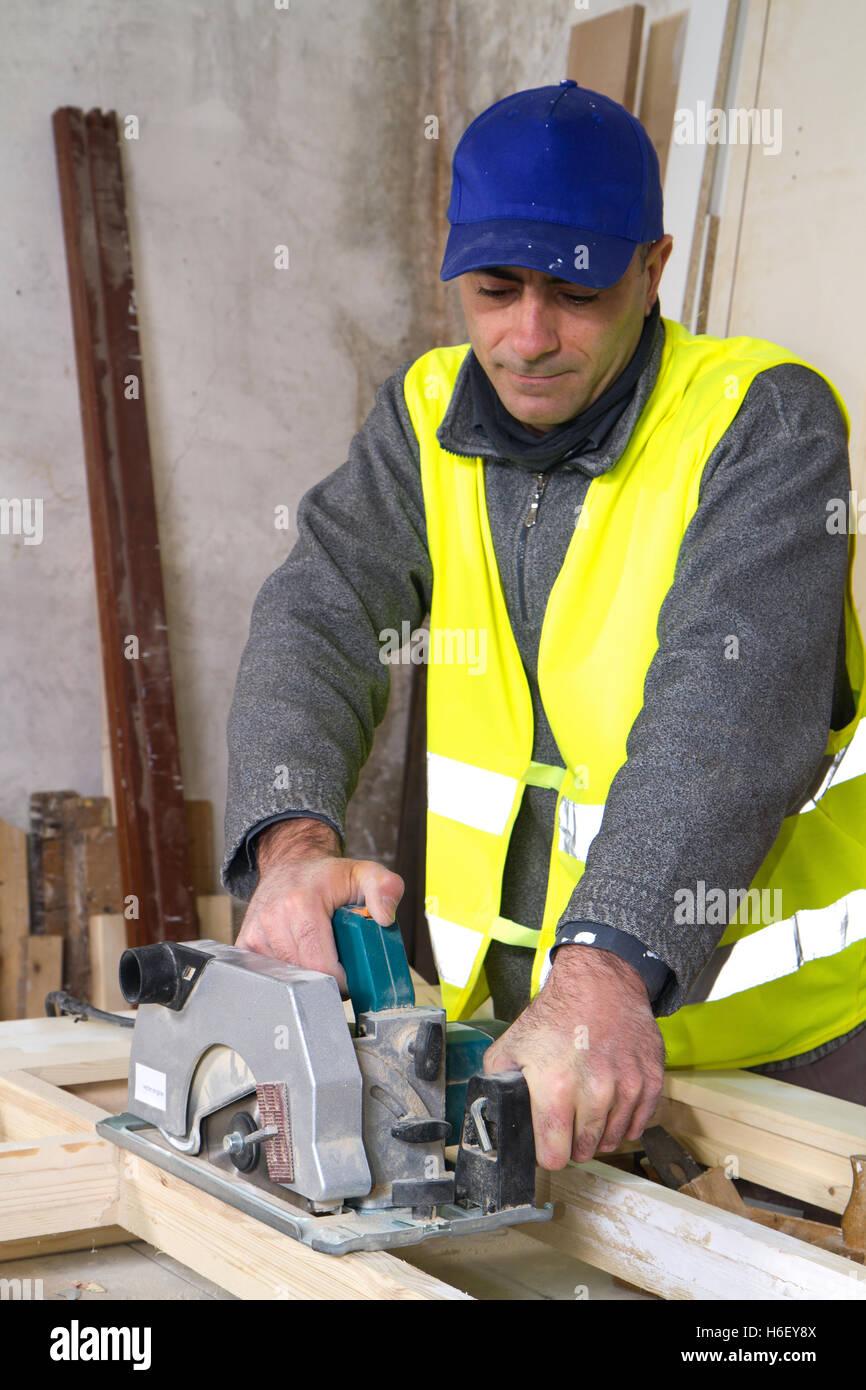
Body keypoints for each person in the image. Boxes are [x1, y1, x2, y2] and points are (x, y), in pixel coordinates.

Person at [222, 82, 866, 1176]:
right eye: (494, 288)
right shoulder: (425, 416)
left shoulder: (760, 420)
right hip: (540, 1048)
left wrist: (607, 965)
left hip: (783, 1052)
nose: (526, 337)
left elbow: (725, 714)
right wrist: (289, 847)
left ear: (651, 269)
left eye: (575, 291)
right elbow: (316, 610)